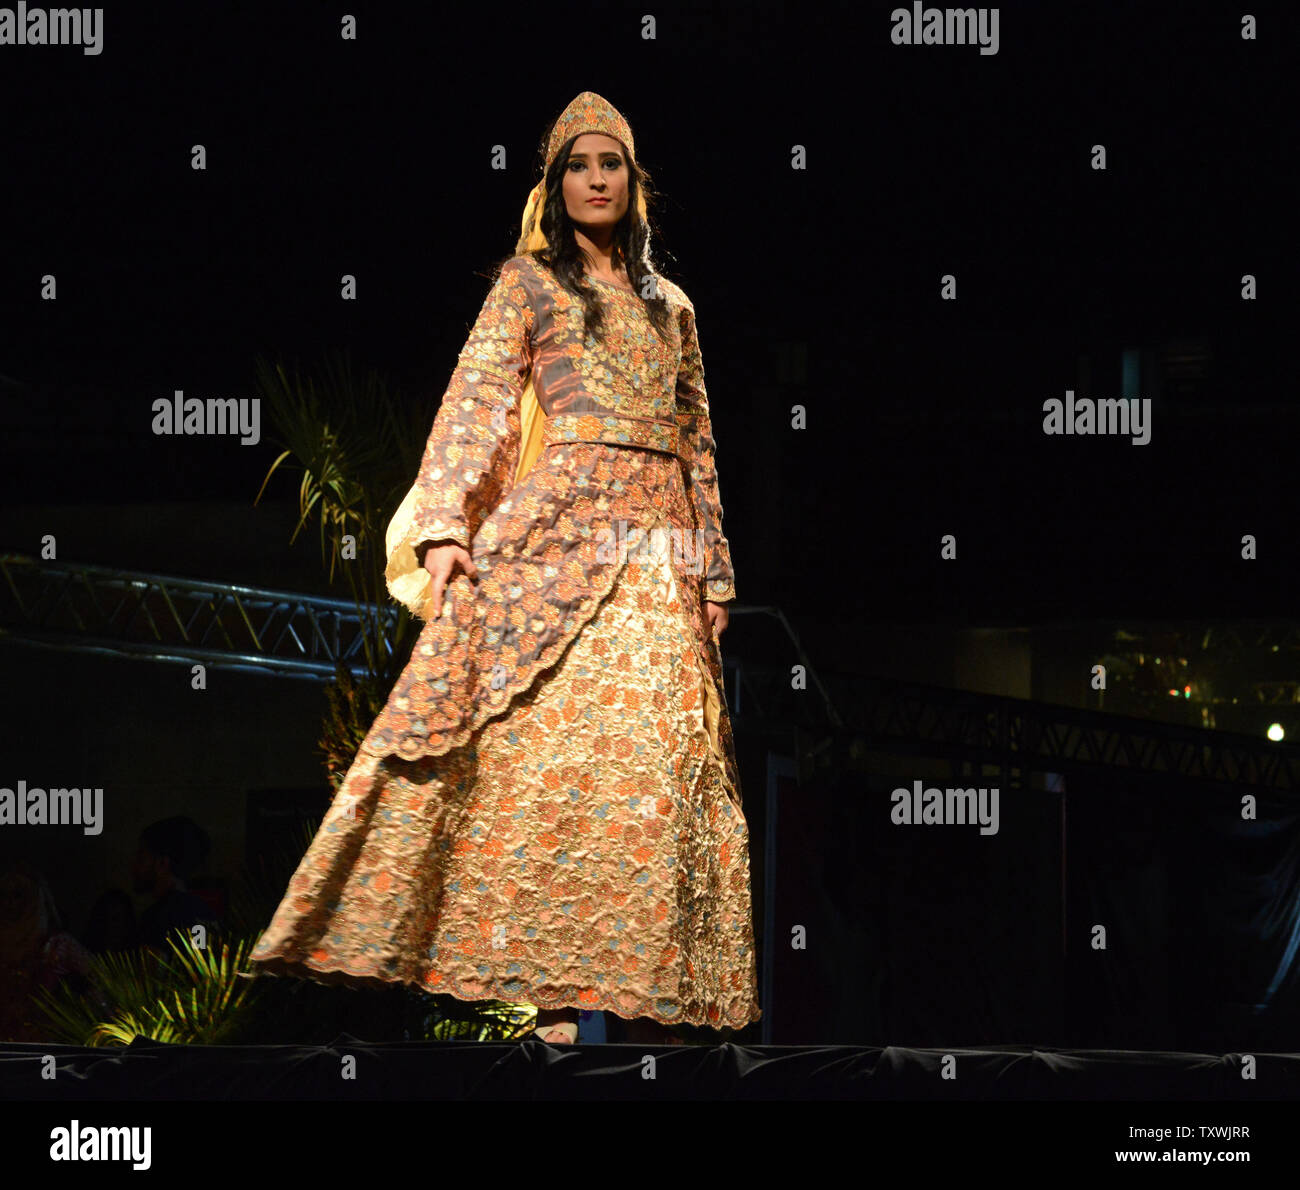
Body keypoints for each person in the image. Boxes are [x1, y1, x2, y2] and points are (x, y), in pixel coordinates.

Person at [247, 91, 761, 1044]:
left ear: (635, 183)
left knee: (649, 761)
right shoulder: (527, 286)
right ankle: (555, 1000)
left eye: (612, 163)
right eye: (579, 163)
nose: (597, 178)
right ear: (555, 183)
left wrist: (715, 572)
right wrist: (444, 526)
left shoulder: (673, 308)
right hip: (556, 529)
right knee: (542, 752)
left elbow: (699, 444)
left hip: (655, 545)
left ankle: (637, 985)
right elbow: (478, 401)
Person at [132, 815, 218, 949]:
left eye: (141, 857)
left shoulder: (157, 918)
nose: (134, 865)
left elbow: (150, 968)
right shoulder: (206, 913)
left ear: (162, 863)